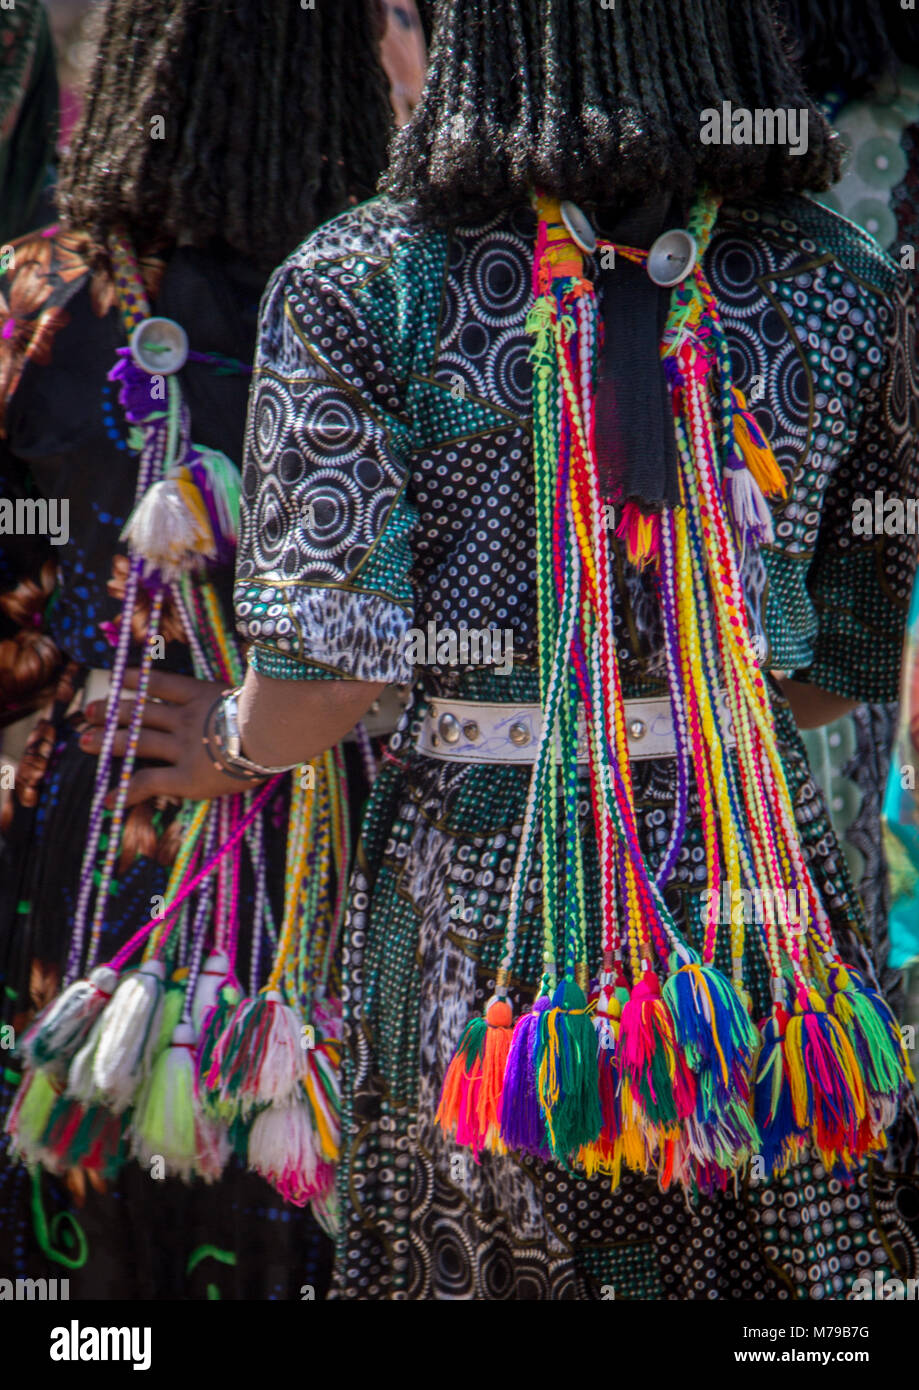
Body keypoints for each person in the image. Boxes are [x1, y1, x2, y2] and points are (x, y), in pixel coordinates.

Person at [106, 0, 919, 1298]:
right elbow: (840, 672)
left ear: (453, 32)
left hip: (478, 934)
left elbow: (320, 690)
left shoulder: (360, 280)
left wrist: (223, 733)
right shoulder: (849, 281)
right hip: (761, 931)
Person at [0, 0, 392, 1299]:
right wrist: (265, 720)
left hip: (88, 856)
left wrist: (80, 694)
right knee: (287, 1230)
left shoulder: (35, 306)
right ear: (343, 86)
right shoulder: (385, 304)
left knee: (84, 1260)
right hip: (317, 863)